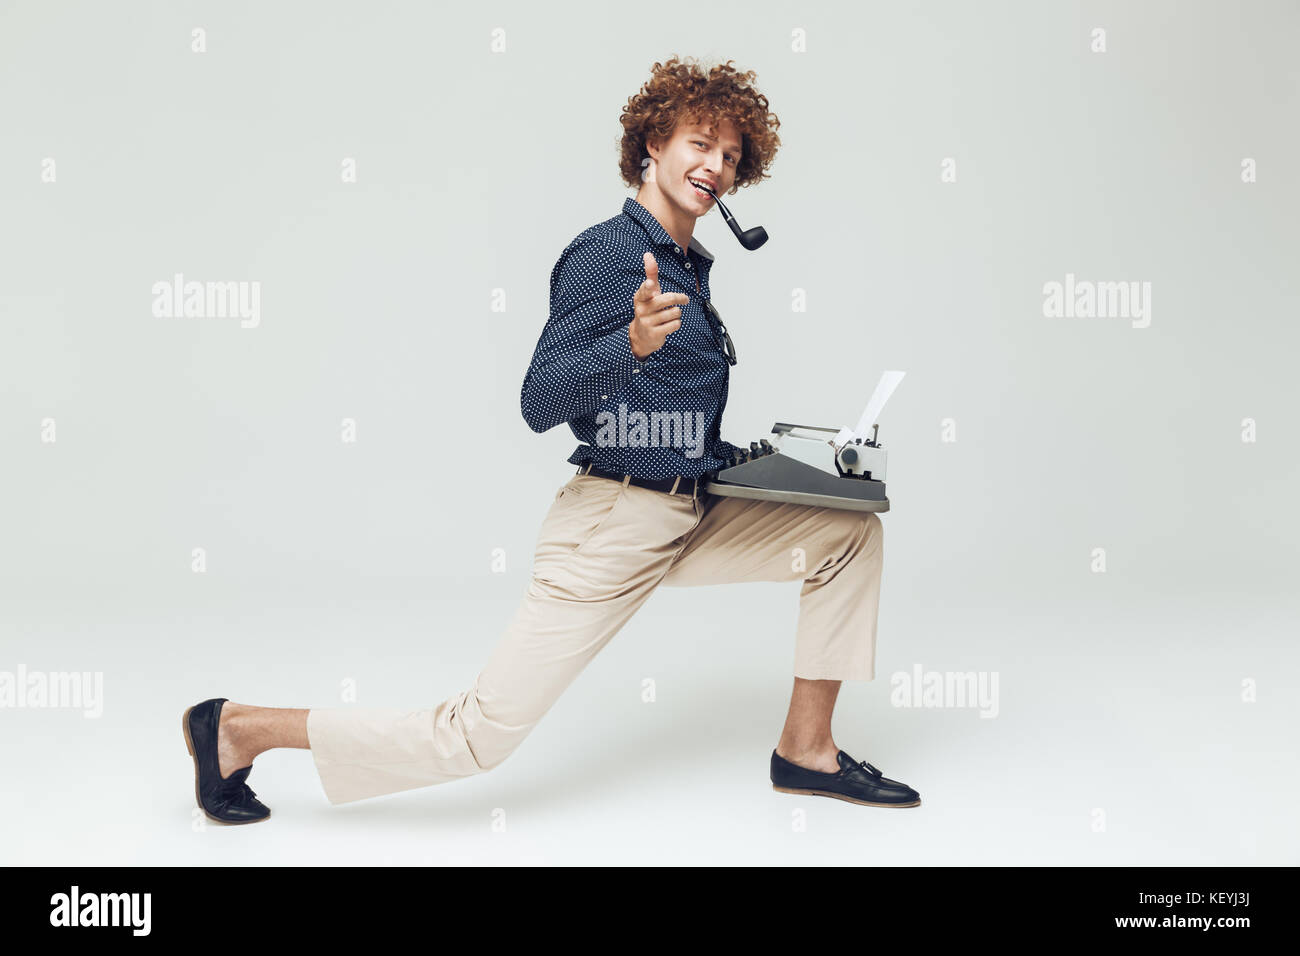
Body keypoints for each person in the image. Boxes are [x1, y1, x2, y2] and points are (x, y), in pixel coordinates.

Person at [182, 56, 920, 825]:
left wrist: (767, 463)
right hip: (614, 523)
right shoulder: (608, 255)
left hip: (689, 507)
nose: (717, 167)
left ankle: (806, 750)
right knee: (476, 738)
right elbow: (539, 401)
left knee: (846, 531)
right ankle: (234, 728)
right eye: (701, 144)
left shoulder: (685, 263)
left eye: (732, 156)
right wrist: (627, 346)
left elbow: (661, 416)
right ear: (653, 146)